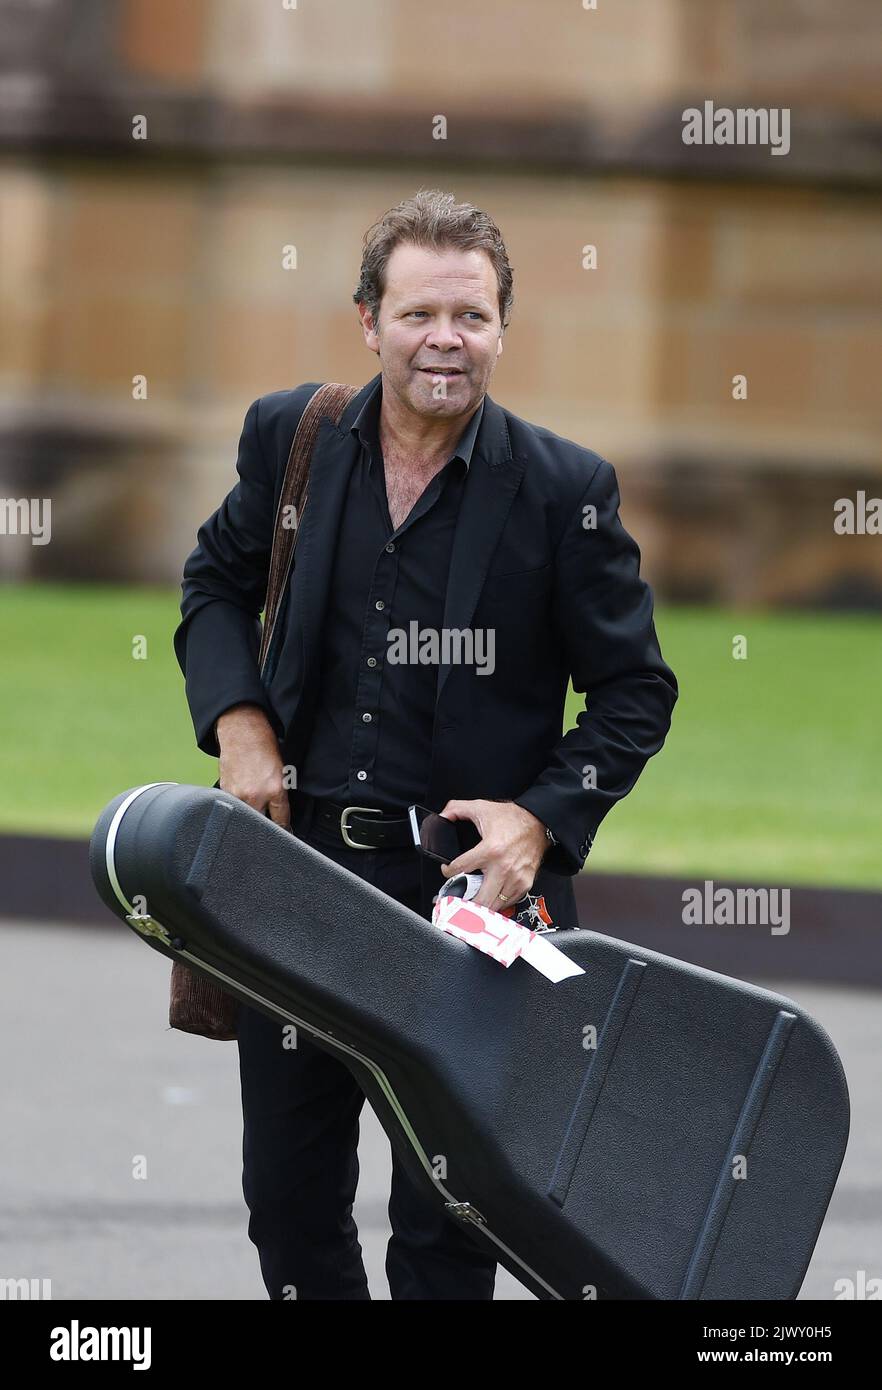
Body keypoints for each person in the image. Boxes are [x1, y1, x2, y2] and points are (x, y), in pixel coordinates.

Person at [173, 188, 678, 1300]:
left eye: (471, 316)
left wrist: (540, 815)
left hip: (469, 907)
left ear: (503, 329)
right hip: (297, 885)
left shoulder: (564, 491)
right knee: (289, 1201)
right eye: (417, 315)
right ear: (369, 320)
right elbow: (214, 580)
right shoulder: (292, 440)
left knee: (449, 1220)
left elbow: (637, 688)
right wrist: (240, 722)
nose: (444, 339)